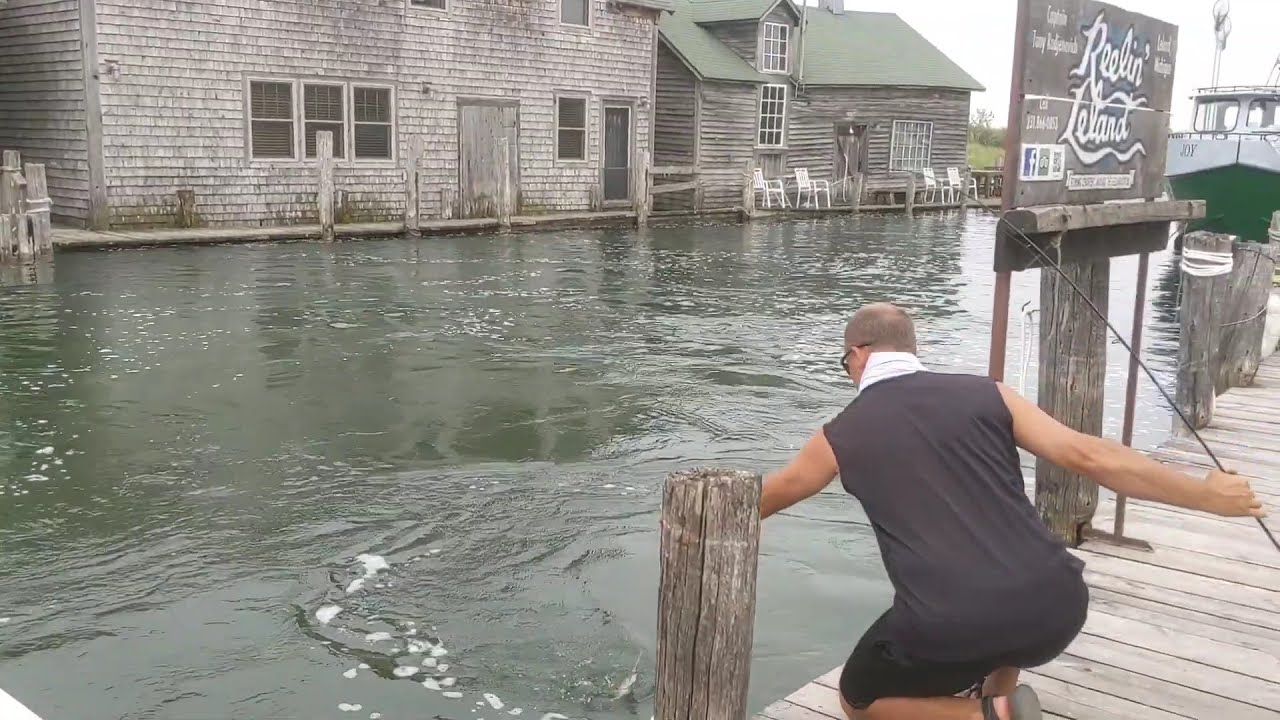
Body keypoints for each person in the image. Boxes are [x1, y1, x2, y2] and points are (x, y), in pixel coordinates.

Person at [758, 303, 1267, 720]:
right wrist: (1204, 495)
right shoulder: (989, 394)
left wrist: (686, 525)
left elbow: (767, 497)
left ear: (858, 355)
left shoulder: (838, 435)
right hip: (1057, 605)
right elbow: (1090, 455)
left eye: (844, 364)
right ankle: (1001, 697)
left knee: (857, 699)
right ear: (910, 349)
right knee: (997, 607)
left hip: (955, 621)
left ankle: (992, 716)